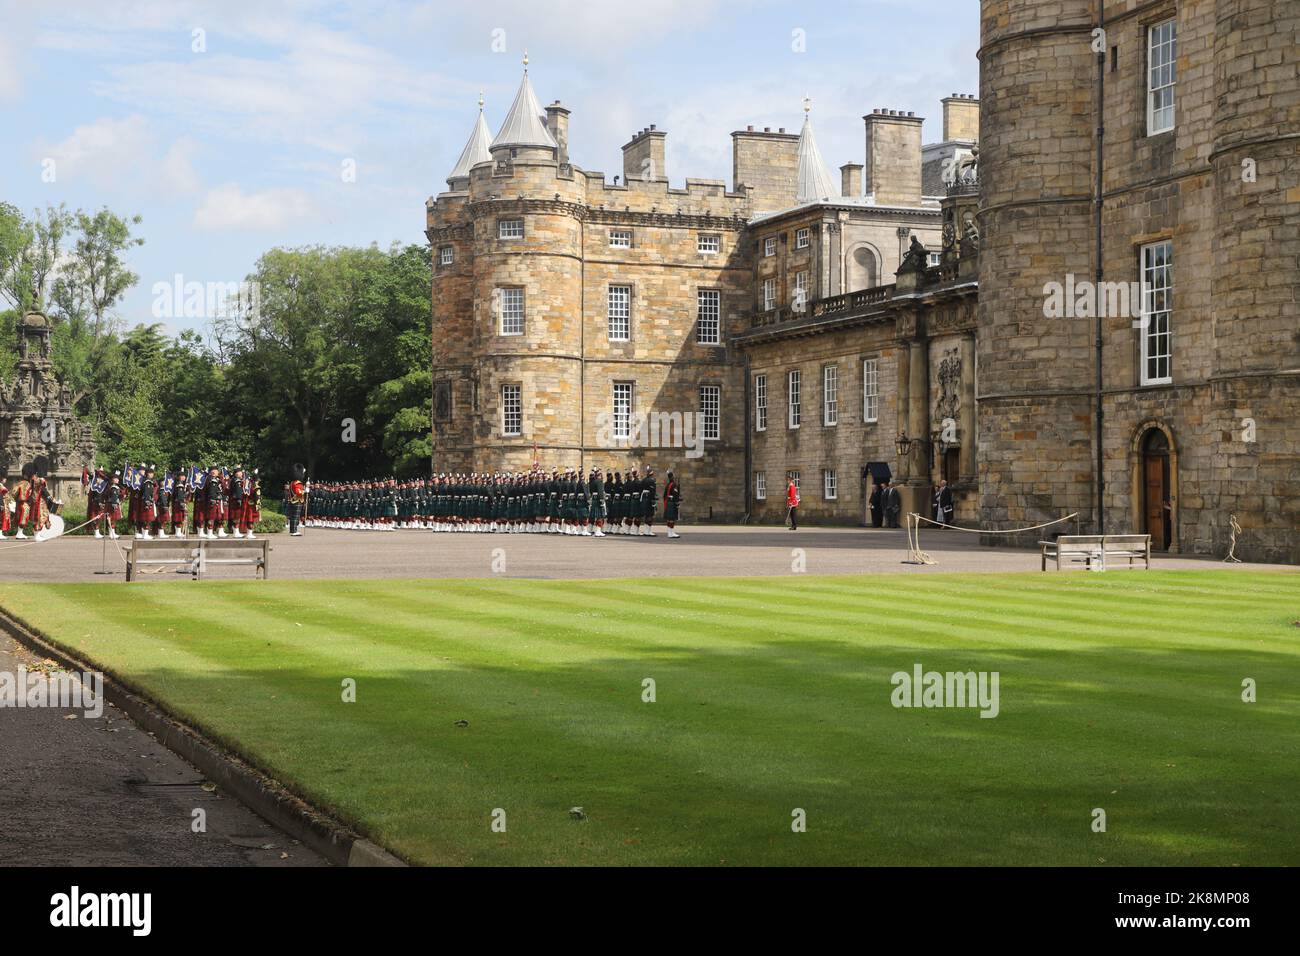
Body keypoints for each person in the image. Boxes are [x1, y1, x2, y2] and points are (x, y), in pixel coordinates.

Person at [286, 466, 307, 536]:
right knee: (295, 516)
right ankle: (294, 531)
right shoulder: (298, 483)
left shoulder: (292, 482)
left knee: (293, 517)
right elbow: (298, 492)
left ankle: (292, 530)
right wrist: (305, 491)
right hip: (297, 501)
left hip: (293, 501)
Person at [662, 469, 681, 538]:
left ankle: (669, 532)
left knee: (669, 518)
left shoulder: (668, 485)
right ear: (672, 477)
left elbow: (664, 495)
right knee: (672, 518)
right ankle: (671, 533)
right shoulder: (674, 484)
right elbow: (676, 495)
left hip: (668, 502)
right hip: (672, 502)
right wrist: (677, 501)